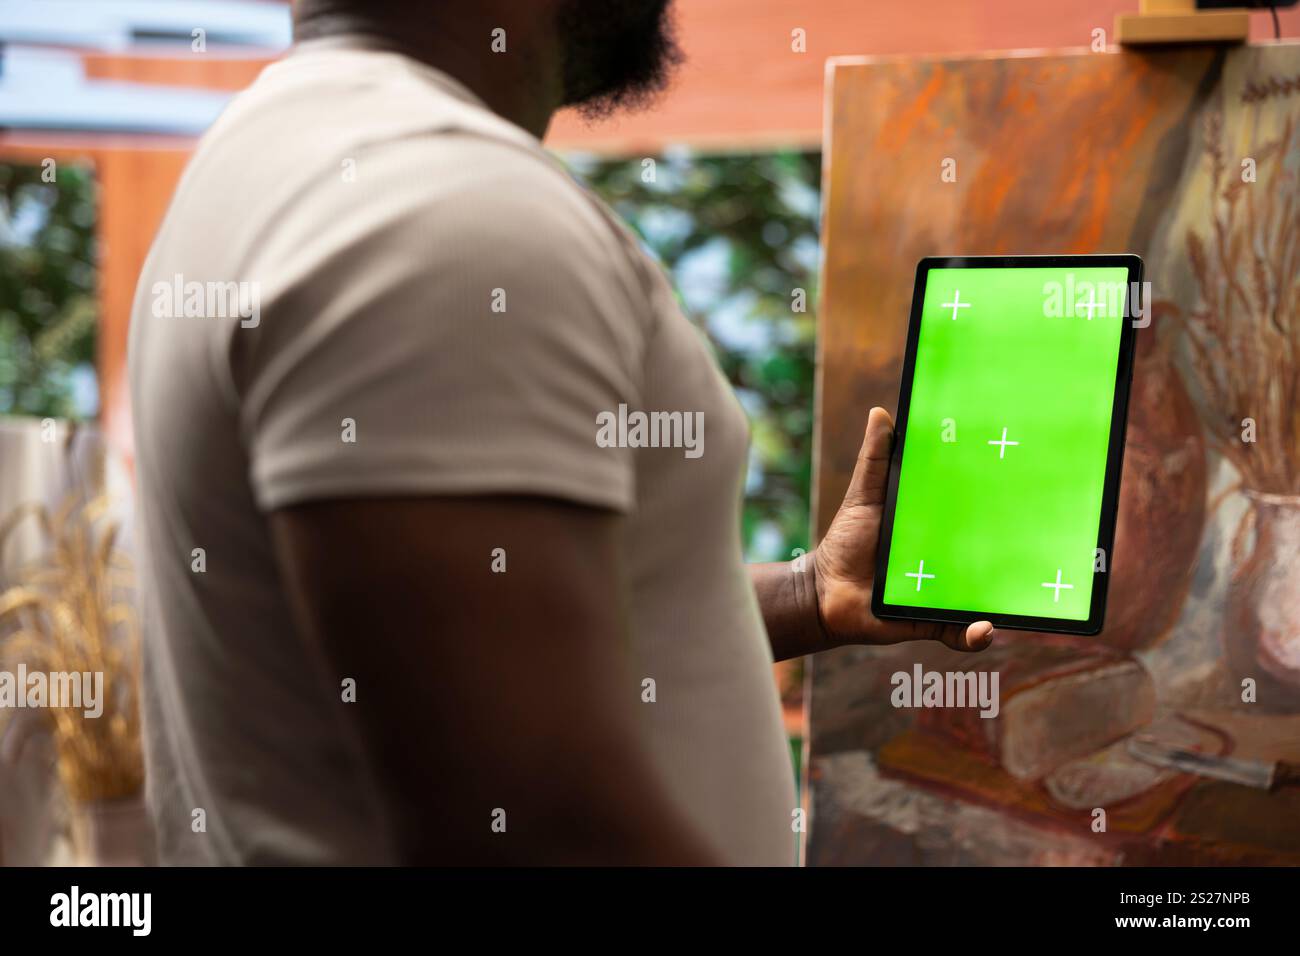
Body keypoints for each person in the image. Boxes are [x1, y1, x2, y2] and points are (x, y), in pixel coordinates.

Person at [127, 0, 995, 865]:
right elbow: (534, 820)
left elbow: (468, 646)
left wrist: (810, 593)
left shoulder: (274, 151)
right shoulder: (443, 211)